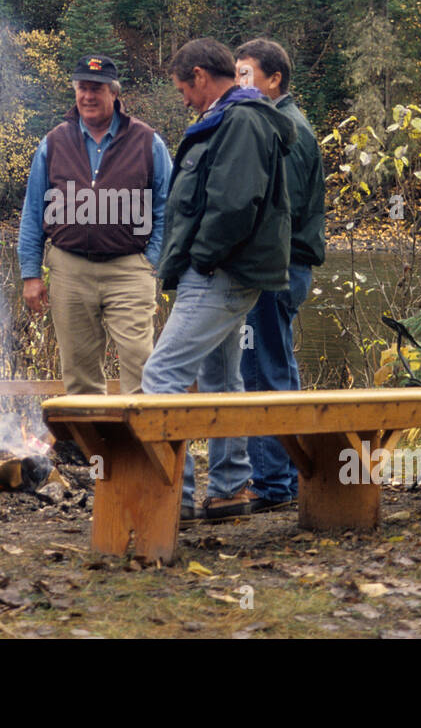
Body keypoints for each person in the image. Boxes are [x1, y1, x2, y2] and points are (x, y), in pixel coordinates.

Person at [140, 38, 295, 521]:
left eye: (184, 88)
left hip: (219, 275)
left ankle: (169, 500)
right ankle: (228, 489)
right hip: (223, 273)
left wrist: (202, 261)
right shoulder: (232, 118)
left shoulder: (241, 121)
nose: (184, 99)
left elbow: (233, 205)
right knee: (222, 380)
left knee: (161, 376)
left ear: (202, 76)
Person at [18, 55, 172, 398]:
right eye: (82, 88)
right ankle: (94, 451)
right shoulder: (53, 142)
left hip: (130, 269)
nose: (88, 96)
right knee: (79, 374)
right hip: (68, 269)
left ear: (114, 93)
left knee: (142, 366)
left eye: (96, 89)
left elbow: (168, 208)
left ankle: (142, 451)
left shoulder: (148, 142)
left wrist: (152, 261)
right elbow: (32, 212)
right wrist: (31, 274)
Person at [234, 38, 327, 512]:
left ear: (274, 79)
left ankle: (271, 483)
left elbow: (275, 213)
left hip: (276, 268)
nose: (238, 83)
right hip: (281, 267)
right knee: (275, 366)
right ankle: (284, 478)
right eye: (236, 74)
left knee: (262, 369)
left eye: (246, 74)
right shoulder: (278, 123)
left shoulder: (286, 131)